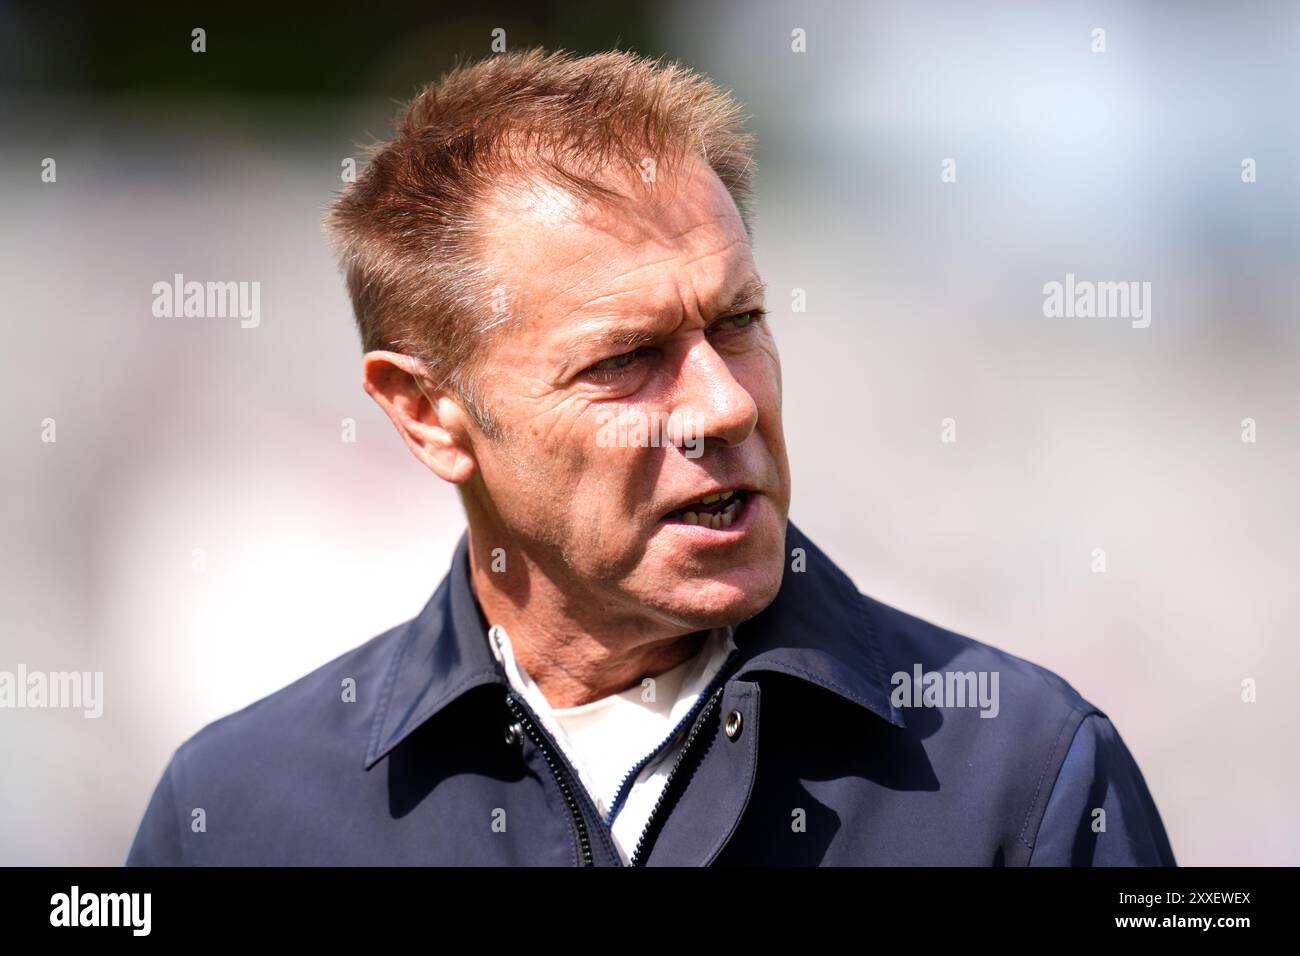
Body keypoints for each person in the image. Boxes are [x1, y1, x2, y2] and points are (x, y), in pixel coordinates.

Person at [125, 47, 1175, 866]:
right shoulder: (239, 808)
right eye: (626, 359)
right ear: (429, 413)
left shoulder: (1020, 773)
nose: (722, 403)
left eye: (738, 320)